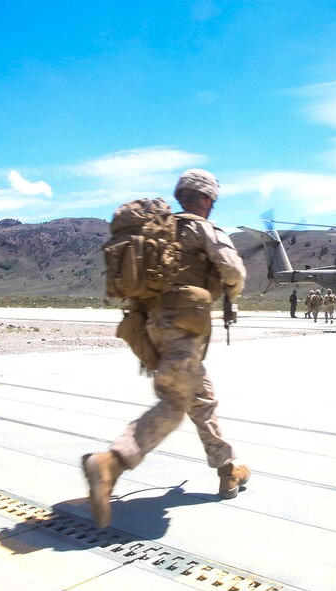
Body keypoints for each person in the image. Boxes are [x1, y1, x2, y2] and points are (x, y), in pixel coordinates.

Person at [82, 169, 250, 529]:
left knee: (200, 398)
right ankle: (112, 461)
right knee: (174, 404)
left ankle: (227, 469)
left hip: (153, 328)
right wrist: (231, 293)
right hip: (185, 329)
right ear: (207, 199)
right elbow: (234, 272)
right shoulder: (203, 228)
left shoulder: (161, 231)